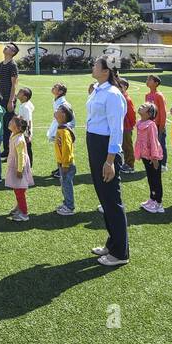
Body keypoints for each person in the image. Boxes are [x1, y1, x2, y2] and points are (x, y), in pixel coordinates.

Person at [86, 56, 129, 266]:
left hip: (106, 148)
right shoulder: (98, 88)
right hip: (95, 143)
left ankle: (120, 253)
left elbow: (116, 130)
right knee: (104, 198)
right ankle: (112, 244)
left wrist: (110, 160)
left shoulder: (112, 94)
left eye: (96, 65)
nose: (92, 67)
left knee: (112, 200)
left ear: (106, 71)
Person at [135, 102, 165, 213]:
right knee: (150, 178)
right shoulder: (140, 123)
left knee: (155, 179)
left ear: (149, 113)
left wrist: (155, 157)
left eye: (144, 107)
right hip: (146, 156)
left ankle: (158, 203)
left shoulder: (151, 125)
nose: (141, 106)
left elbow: (153, 141)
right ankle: (152, 199)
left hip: (153, 157)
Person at [5, 115, 34, 221]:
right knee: (17, 189)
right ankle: (19, 207)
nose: (9, 122)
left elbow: (21, 155)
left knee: (19, 190)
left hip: (18, 166)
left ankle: (24, 213)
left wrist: (19, 169)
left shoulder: (19, 139)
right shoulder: (14, 134)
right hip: (15, 165)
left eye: (12, 122)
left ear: (17, 128)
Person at [0, 43, 20, 159]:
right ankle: (6, 150)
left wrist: (11, 101)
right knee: (3, 125)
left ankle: (10, 150)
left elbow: (14, 85)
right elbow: (0, 82)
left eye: (9, 47)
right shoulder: (2, 64)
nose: (6, 47)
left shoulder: (13, 65)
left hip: (8, 99)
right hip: (0, 98)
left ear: (12, 52)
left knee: (8, 126)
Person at [53, 105, 77, 215]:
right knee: (64, 184)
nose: (55, 111)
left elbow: (67, 149)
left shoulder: (64, 132)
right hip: (62, 163)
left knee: (67, 184)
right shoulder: (61, 129)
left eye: (58, 110)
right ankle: (66, 203)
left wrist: (65, 164)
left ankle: (69, 207)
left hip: (66, 164)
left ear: (63, 115)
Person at [48, 82, 71, 178]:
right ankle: (60, 168)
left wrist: (62, 130)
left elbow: (70, 119)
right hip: (58, 128)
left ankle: (64, 168)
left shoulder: (63, 104)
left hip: (62, 129)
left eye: (55, 87)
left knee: (62, 149)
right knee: (59, 149)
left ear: (60, 92)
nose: (53, 88)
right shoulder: (57, 101)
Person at [144, 75, 168, 170]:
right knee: (151, 143)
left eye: (150, 80)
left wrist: (162, 126)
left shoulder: (159, 96)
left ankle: (163, 164)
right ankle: (153, 160)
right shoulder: (147, 95)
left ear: (156, 83)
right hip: (150, 124)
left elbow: (163, 112)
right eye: (147, 79)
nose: (147, 81)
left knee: (160, 143)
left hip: (158, 125)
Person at [119, 78, 137, 171]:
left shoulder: (127, 99)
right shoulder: (120, 97)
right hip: (120, 126)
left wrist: (130, 126)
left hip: (126, 127)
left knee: (127, 146)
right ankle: (125, 163)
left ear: (125, 87)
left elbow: (132, 114)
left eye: (120, 86)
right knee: (123, 146)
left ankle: (130, 165)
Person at [15, 86, 35, 168]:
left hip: (25, 133)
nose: (18, 93)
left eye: (20, 92)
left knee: (27, 150)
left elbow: (28, 121)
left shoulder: (26, 107)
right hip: (22, 132)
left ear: (24, 97)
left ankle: (28, 166)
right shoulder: (24, 104)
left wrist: (28, 135)